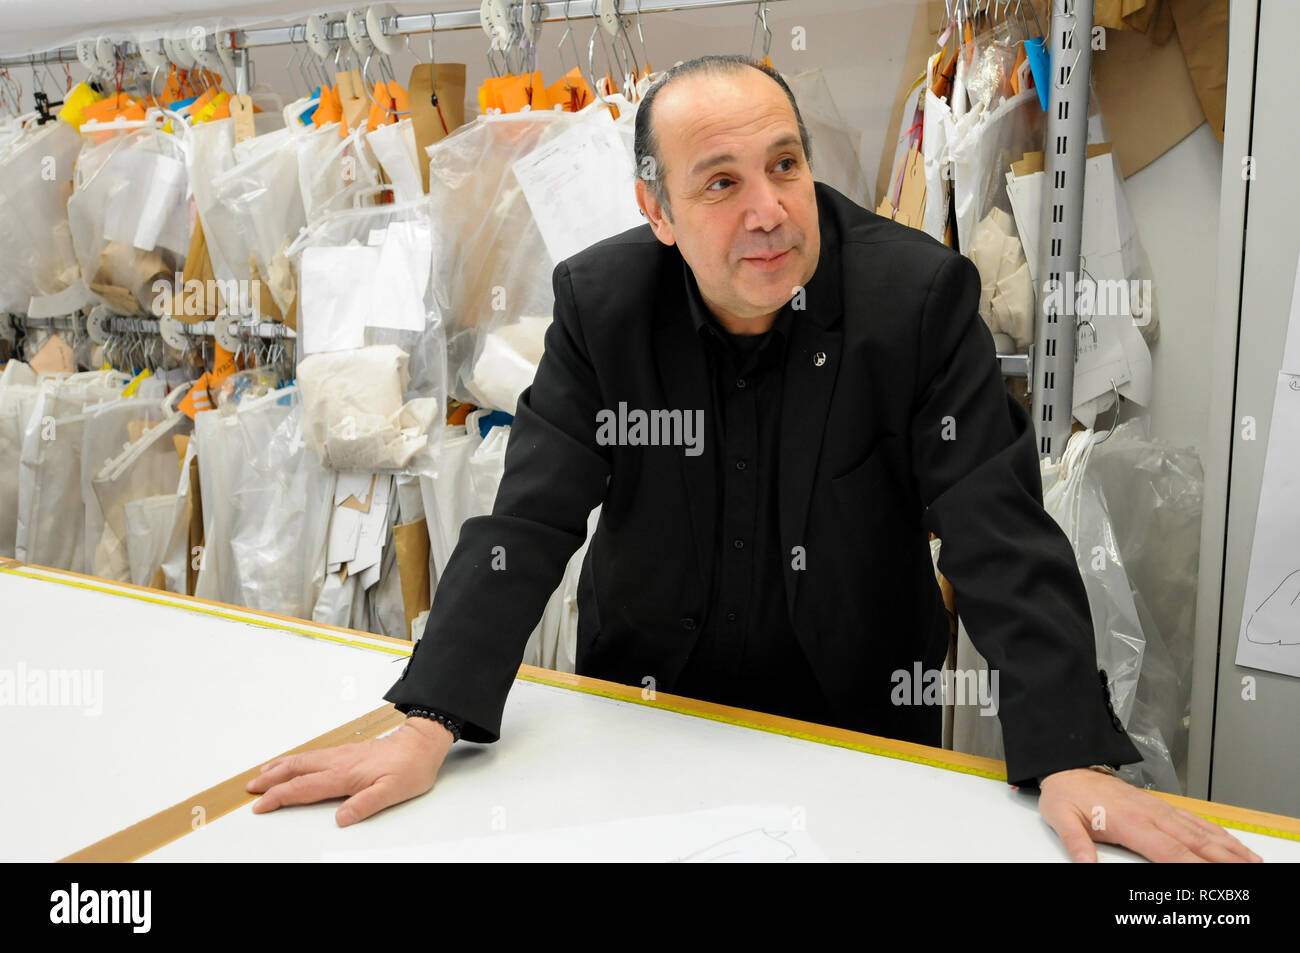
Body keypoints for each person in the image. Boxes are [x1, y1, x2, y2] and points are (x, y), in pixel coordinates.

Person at [249, 55, 1259, 863]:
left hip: (859, 721)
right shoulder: (604, 309)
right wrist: (430, 711)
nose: (769, 208)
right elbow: (529, 519)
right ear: (658, 212)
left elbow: (994, 524)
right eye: (721, 183)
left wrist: (1071, 751)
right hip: (649, 707)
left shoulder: (917, 302)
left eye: (784, 166)